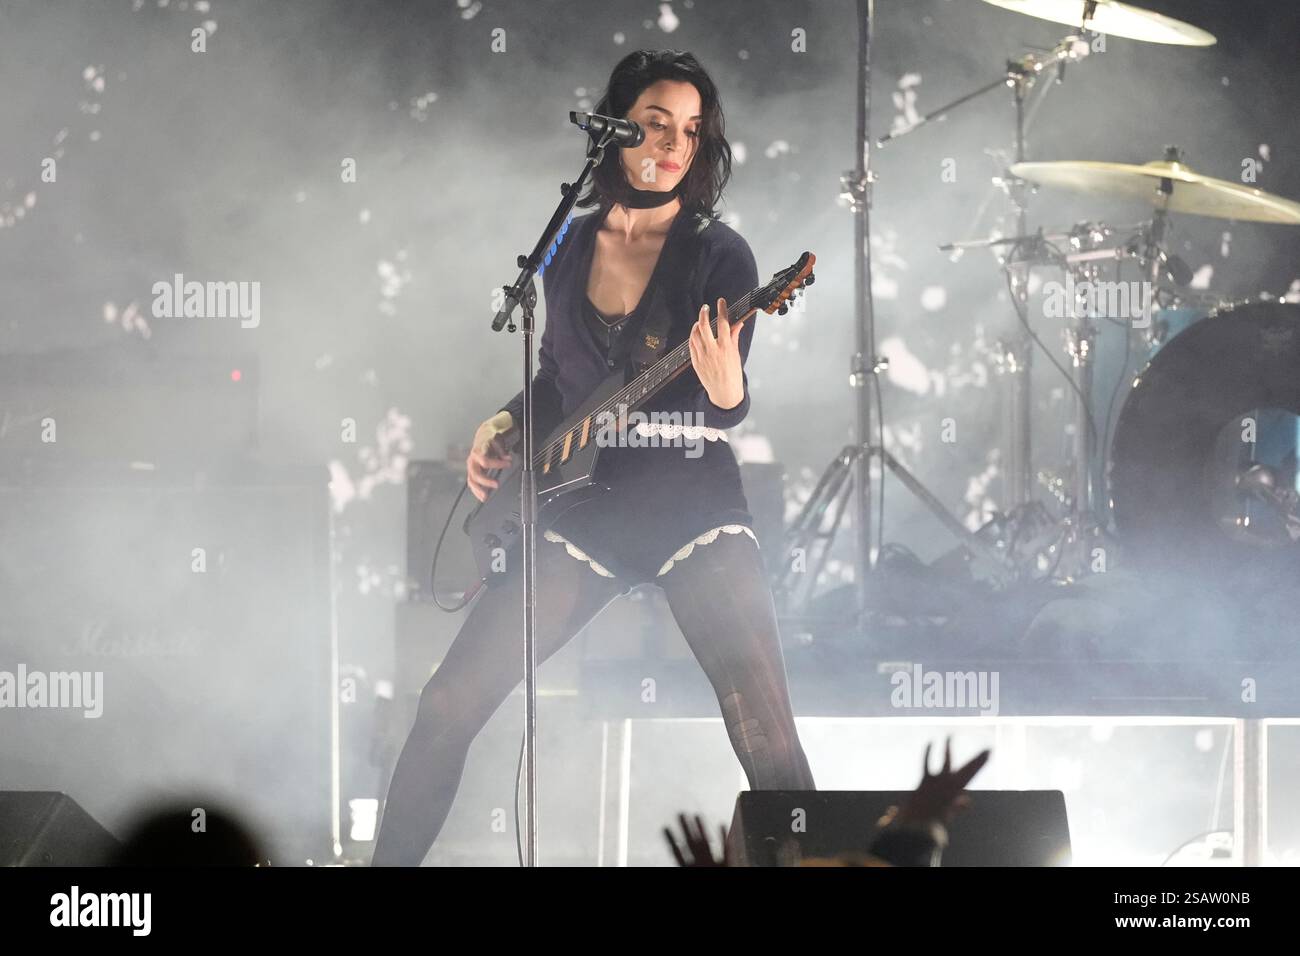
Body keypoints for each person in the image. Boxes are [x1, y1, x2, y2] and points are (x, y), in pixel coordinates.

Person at [372, 49, 815, 866]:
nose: (675, 144)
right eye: (655, 124)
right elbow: (555, 378)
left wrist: (728, 394)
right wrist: (502, 423)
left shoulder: (723, 255)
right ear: (614, 129)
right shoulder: (568, 246)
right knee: (445, 703)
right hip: (587, 509)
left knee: (763, 724)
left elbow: (727, 396)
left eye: (691, 130)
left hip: (691, 498)